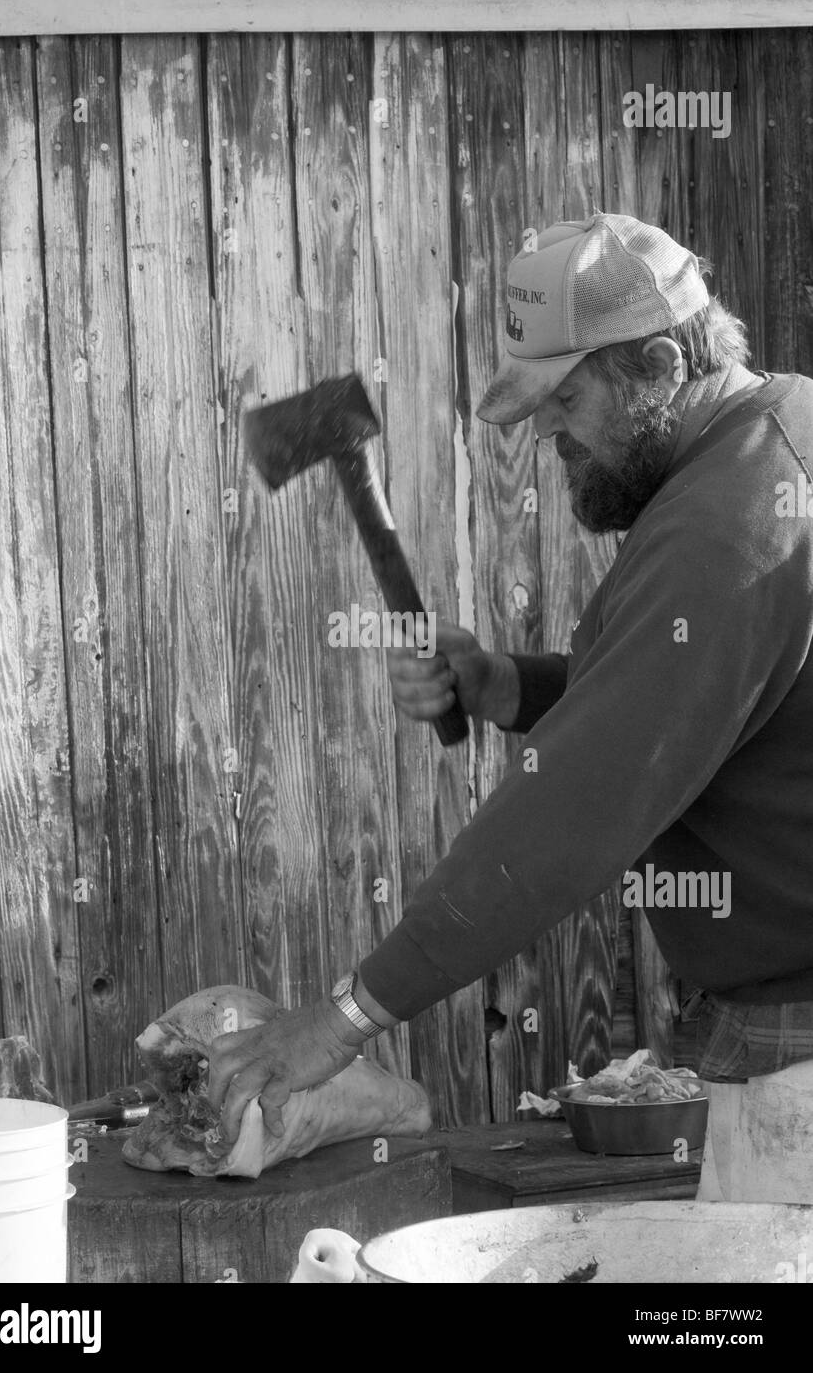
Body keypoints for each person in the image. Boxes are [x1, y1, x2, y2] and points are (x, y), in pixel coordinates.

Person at [209, 212, 813, 1203]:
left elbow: (566, 820)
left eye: (565, 398)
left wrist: (342, 1019)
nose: (543, 433)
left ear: (660, 362)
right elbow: (696, 697)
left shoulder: (722, 528)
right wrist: (511, 685)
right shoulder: (770, 434)